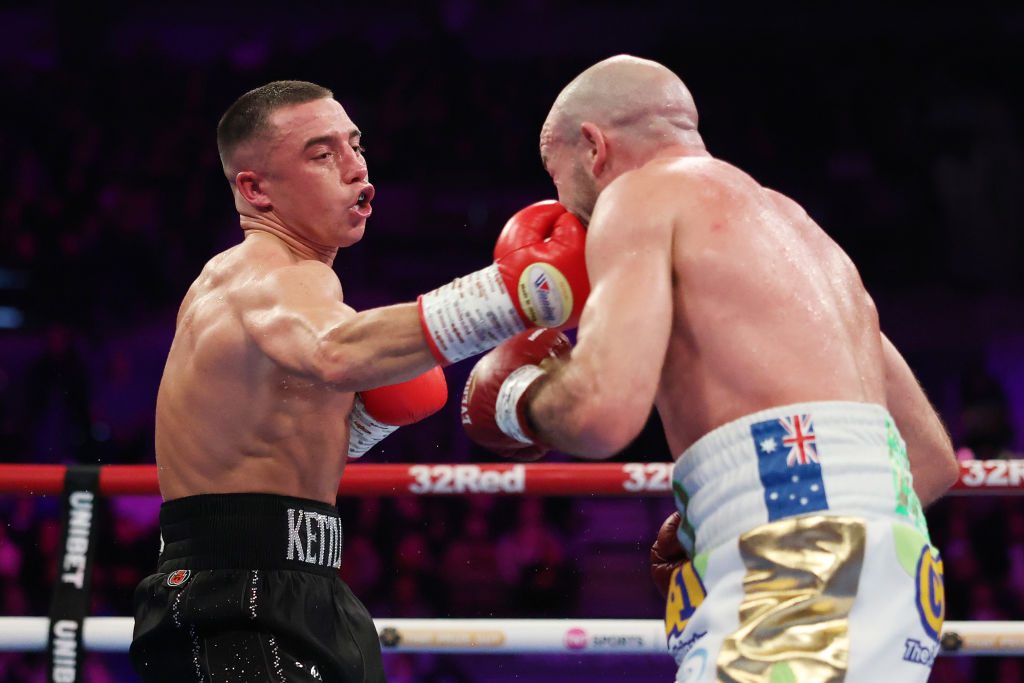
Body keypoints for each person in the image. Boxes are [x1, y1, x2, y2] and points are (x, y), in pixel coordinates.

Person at [460, 56, 961, 682]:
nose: (564, 206)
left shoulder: (636, 197)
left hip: (803, 572)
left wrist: (514, 398)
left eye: (553, 176)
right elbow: (933, 462)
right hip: (895, 580)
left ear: (593, 147)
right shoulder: (800, 231)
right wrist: (731, 506)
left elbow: (600, 415)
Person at [129, 80, 589, 682]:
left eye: (355, 146)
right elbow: (335, 353)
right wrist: (513, 294)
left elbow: (268, 445)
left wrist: (365, 422)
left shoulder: (273, 286)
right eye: (322, 155)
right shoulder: (270, 275)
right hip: (240, 597)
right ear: (255, 188)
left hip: (294, 582)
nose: (354, 167)